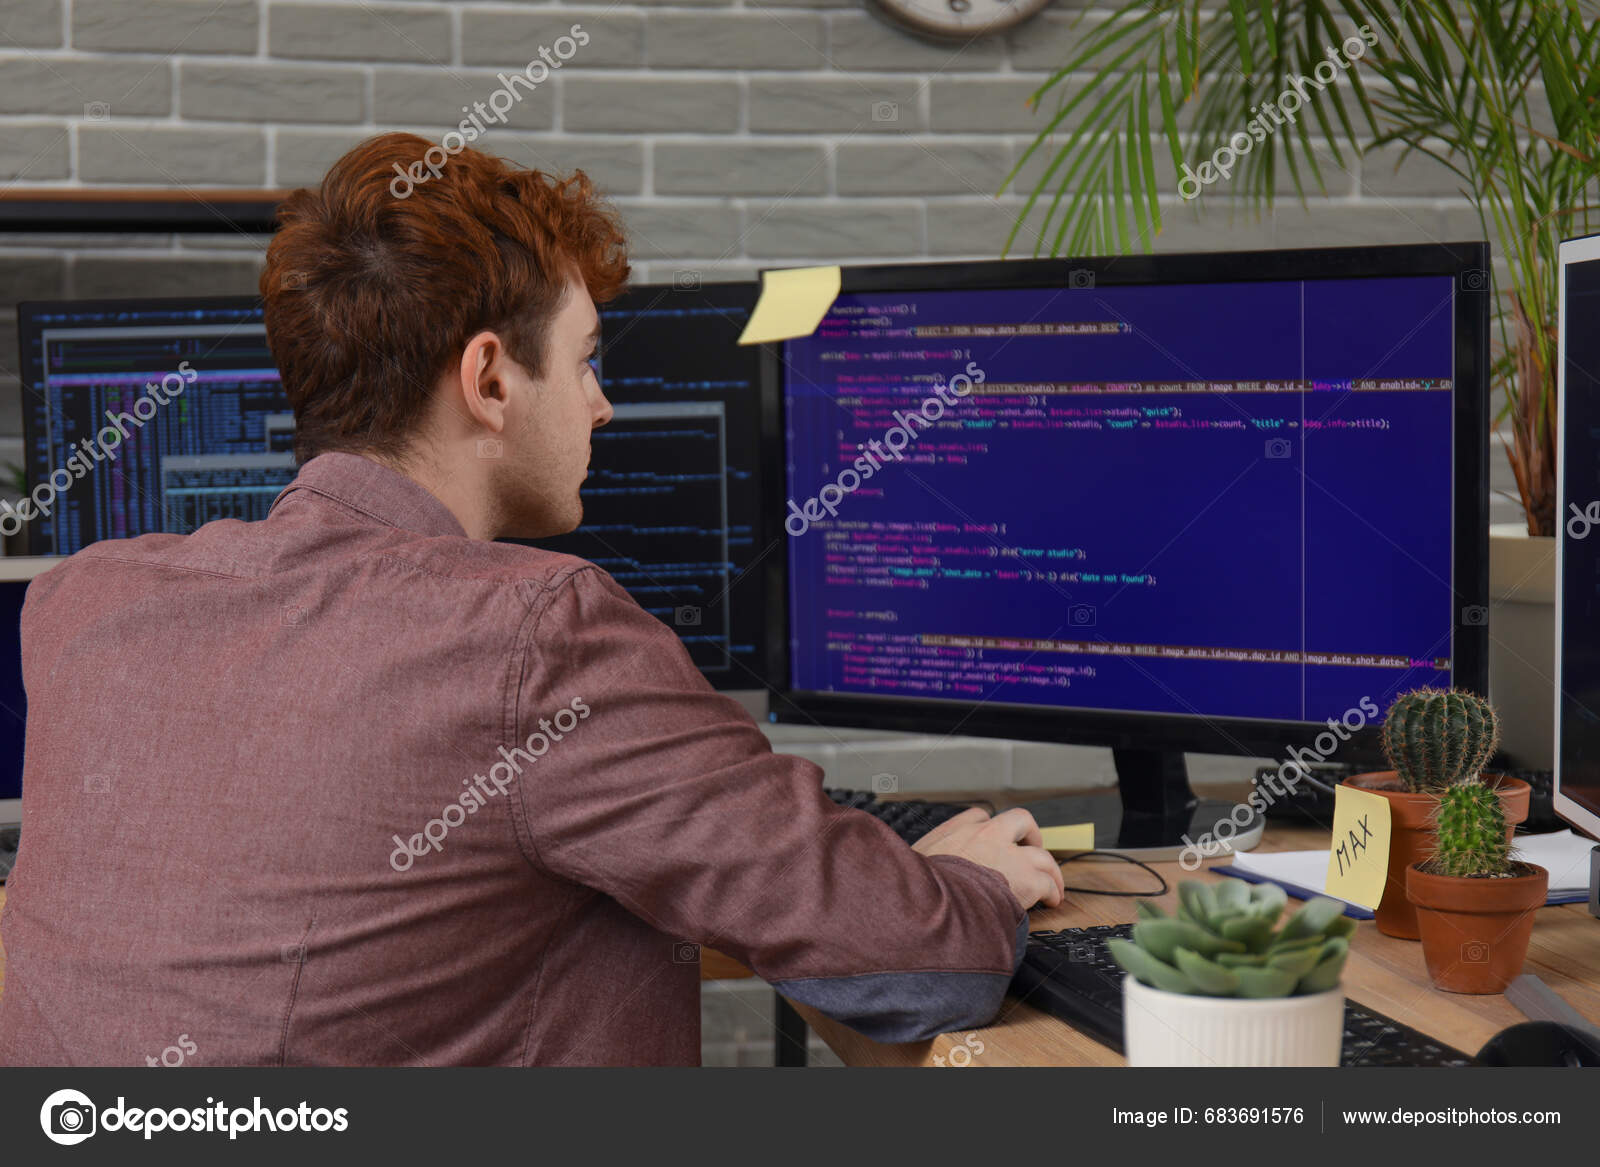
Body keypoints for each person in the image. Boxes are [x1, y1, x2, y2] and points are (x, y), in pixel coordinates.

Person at [0, 132, 1062, 1066]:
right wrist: (965, 887)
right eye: (589, 360)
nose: (601, 405)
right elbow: (918, 967)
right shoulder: (536, 632)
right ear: (491, 381)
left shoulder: (83, 604)